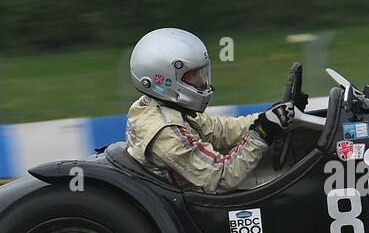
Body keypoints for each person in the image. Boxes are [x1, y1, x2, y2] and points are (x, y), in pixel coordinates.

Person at [125, 28, 300, 192]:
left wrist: (269, 117)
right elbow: (223, 176)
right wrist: (260, 134)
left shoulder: (158, 108)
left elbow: (220, 130)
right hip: (199, 203)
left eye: (201, 73)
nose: (201, 82)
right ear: (164, 79)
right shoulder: (166, 132)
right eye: (192, 75)